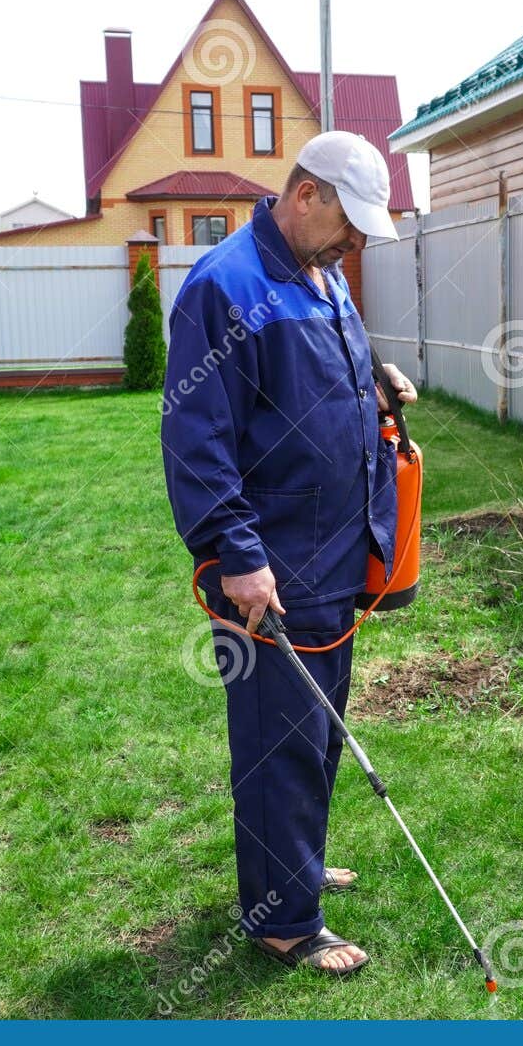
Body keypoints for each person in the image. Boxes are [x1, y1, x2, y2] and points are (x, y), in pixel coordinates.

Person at [160, 131, 417, 976]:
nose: (354, 244)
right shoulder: (225, 287)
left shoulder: (321, 271)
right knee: (278, 738)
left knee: (318, 733)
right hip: (270, 561)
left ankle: (292, 869)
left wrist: (374, 381)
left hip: (335, 553)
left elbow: (307, 378)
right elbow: (199, 440)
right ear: (305, 193)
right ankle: (282, 921)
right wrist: (238, 555)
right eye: (347, 222)